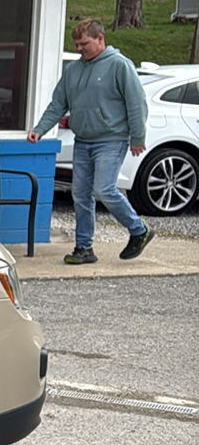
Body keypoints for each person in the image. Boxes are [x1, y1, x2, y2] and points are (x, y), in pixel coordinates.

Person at [27, 19, 153, 265]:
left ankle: (139, 229)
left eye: (84, 43)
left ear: (100, 39)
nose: (80, 49)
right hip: (83, 141)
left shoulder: (119, 65)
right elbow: (58, 104)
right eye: (76, 44)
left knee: (103, 189)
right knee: (80, 195)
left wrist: (138, 137)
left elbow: (136, 103)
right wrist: (40, 129)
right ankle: (84, 248)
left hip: (112, 139)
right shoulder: (73, 70)